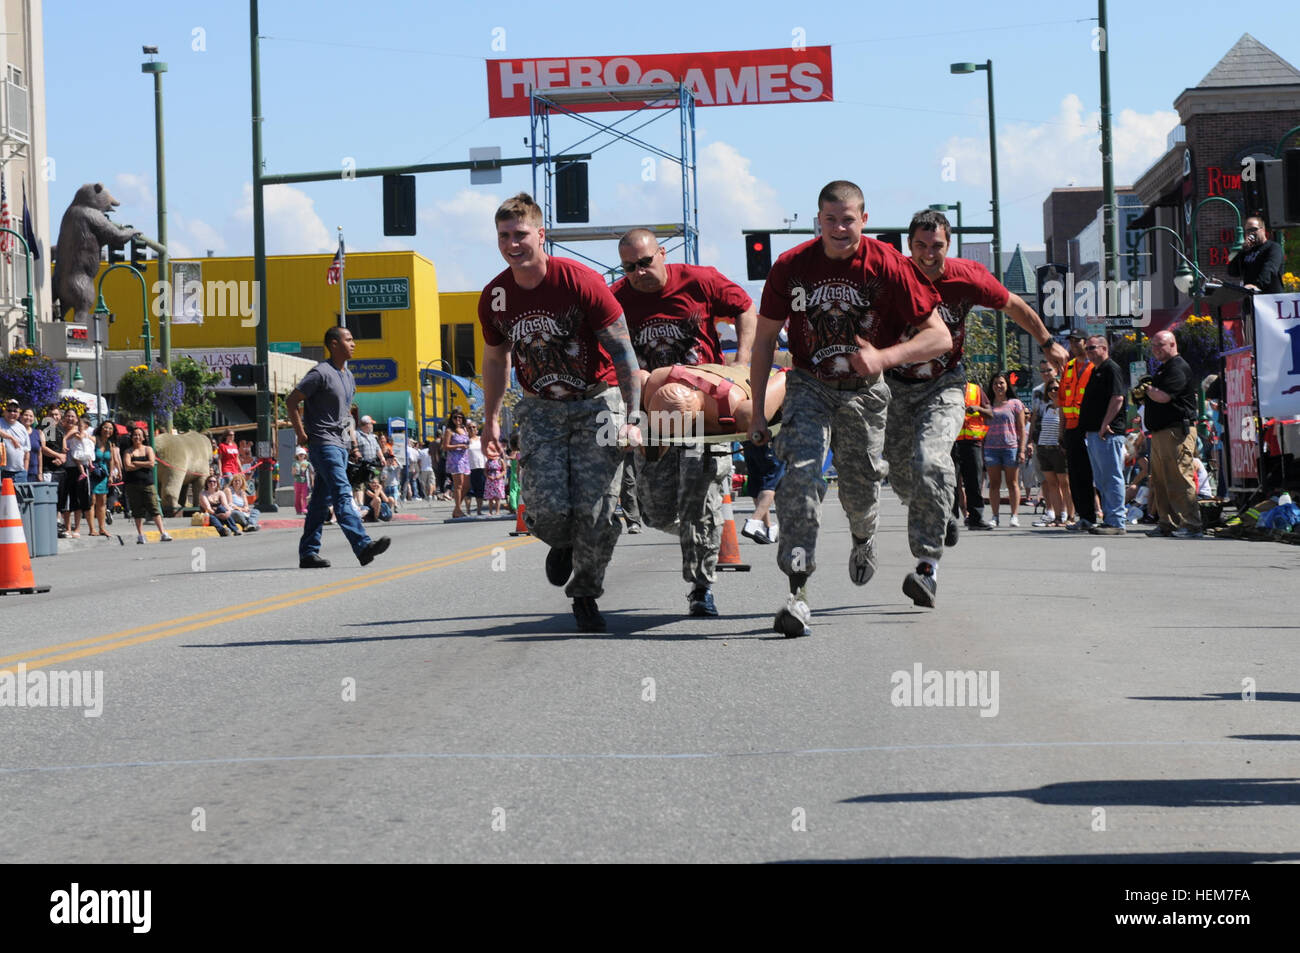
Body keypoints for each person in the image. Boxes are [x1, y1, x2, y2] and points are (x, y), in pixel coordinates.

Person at [748, 180, 952, 637]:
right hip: (809, 384)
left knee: (859, 494)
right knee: (800, 478)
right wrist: (758, 410)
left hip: (865, 392)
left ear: (865, 218)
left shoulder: (889, 265)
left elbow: (939, 336)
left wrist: (884, 357)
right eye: (830, 219)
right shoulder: (791, 267)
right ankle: (797, 593)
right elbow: (763, 341)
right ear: (817, 220)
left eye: (848, 219)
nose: (840, 228)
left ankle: (863, 537)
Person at [478, 192, 642, 633]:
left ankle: (586, 593)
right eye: (504, 235)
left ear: (541, 234)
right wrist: (491, 418)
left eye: (520, 234)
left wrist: (633, 417)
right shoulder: (495, 297)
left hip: (596, 403)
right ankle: (564, 542)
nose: (512, 243)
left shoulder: (580, 282)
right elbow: (496, 360)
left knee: (600, 511)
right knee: (546, 510)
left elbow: (623, 352)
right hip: (540, 409)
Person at [885, 208, 1067, 604]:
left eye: (937, 247)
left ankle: (927, 567)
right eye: (920, 246)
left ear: (948, 246)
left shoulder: (967, 276)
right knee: (902, 475)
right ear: (908, 246)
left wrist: (1046, 342)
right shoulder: (890, 274)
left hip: (945, 383)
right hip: (895, 385)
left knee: (931, 461)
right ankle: (943, 511)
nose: (928, 255)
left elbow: (1014, 305)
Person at [611, 227, 758, 615]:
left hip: (704, 412)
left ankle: (700, 586)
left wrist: (742, 362)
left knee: (701, 499)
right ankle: (697, 535)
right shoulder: (617, 300)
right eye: (629, 267)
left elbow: (745, 307)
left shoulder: (700, 279)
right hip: (653, 415)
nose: (639, 272)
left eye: (645, 262)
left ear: (662, 253)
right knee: (654, 511)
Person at [286, 326, 391, 568]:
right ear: (334, 344)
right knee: (343, 494)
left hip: (341, 445)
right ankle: (362, 545)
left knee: (320, 502)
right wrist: (301, 433)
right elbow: (292, 401)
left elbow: (345, 416)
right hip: (323, 444)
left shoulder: (348, 376)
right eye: (349, 339)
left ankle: (308, 553)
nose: (354, 344)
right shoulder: (320, 373)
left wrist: (353, 445)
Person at [1138, 329, 1203, 538]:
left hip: (1175, 432)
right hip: (1160, 433)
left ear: (1172, 345)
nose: (1156, 349)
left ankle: (1191, 524)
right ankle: (1167, 523)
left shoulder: (1177, 368)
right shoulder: (1163, 369)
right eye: (1154, 346)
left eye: (1160, 345)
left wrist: (1147, 389)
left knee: (1179, 479)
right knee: (1160, 480)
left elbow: (1164, 397)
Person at [1079, 335, 1128, 535]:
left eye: (1091, 348)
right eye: (1087, 349)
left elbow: (1118, 398)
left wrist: (1104, 424)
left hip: (1107, 433)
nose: (1088, 352)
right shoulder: (1096, 370)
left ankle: (1116, 521)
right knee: (1101, 479)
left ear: (1104, 348)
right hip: (1094, 433)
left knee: (1111, 477)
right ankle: (1109, 518)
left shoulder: (1111, 369)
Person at [1059, 330, 1097, 530]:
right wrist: (1061, 431)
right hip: (1072, 429)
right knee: (1076, 475)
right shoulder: (1069, 367)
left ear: (1086, 342)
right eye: (1071, 342)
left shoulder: (1095, 366)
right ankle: (1085, 516)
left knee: (1096, 473)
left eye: (1077, 341)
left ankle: (1105, 515)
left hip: (1090, 428)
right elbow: (1062, 402)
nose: (1073, 345)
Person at [982, 370, 1027, 528]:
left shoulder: (1015, 404)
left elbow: (1021, 428)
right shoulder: (987, 405)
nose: (998, 386)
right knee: (994, 484)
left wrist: (1022, 450)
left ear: (1007, 385)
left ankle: (1014, 516)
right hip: (991, 448)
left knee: (1012, 483)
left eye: (1001, 383)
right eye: (995, 383)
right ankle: (995, 516)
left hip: (1011, 447)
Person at [121, 426, 174, 543]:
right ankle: (140, 535)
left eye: (140, 435)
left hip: (147, 484)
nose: (137, 437)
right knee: (137, 510)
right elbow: (127, 467)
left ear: (144, 438)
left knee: (154, 508)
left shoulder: (148, 449)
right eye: (135, 435)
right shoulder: (128, 451)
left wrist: (135, 462)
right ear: (131, 437)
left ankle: (163, 533)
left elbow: (151, 463)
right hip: (132, 484)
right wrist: (142, 464)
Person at [1030, 380, 1072, 526]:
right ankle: (1058, 516)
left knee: (1064, 484)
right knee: (1051, 484)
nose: (1053, 391)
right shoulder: (1047, 408)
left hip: (1058, 449)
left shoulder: (1066, 407)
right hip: (1043, 448)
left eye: (1056, 388)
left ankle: (1070, 516)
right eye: (1050, 389)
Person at [1227, 216, 1283, 294]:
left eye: (1253, 229)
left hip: (1269, 297)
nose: (1251, 233)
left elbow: (1270, 269)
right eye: (1247, 231)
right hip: (1251, 297)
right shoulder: (1247, 251)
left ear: (1263, 230)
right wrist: (1242, 251)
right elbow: (1232, 271)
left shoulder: (1273, 247)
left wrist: (1257, 285)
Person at [60, 413, 95, 537]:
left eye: (73, 417)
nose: (70, 419)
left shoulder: (80, 432)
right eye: (67, 416)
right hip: (66, 468)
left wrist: (85, 436)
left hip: (79, 468)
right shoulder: (59, 431)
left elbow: (92, 441)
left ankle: (78, 528)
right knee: (68, 500)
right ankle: (67, 528)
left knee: (81, 499)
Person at [90, 421, 122, 537]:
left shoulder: (110, 444)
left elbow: (111, 460)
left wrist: (111, 475)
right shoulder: (94, 439)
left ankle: (102, 528)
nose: (107, 430)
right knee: (92, 501)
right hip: (93, 472)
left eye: (110, 428)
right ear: (101, 428)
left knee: (102, 502)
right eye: (105, 427)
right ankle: (92, 528)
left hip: (103, 473)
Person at [441, 411, 471, 518]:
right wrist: (459, 446)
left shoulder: (464, 430)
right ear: (452, 419)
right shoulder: (450, 431)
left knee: (466, 485)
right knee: (458, 485)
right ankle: (458, 510)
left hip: (465, 459)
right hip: (455, 460)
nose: (458, 419)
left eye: (460, 417)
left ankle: (456, 508)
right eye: (455, 417)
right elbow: (445, 446)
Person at [0, 398, 29, 483]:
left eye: (15, 411)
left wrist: (25, 470)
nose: (12, 413)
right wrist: (12, 438)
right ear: (4, 411)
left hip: (20, 473)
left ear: (19, 413)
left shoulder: (22, 428)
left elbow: (27, 452)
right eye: (9, 410)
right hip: (3, 472)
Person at [466, 420, 486, 516]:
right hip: (468, 468)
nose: (472, 429)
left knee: (480, 490)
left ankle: (479, 510)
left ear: (477, 430)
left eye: (474, 427)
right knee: (468, 490)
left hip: (481, 466)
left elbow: (485, 453)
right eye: (469, 427)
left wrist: (487, 466)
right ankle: (468, 511)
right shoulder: (465, 440)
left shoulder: (481, 440)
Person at [483, 439, 506, 516]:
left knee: (497, 497)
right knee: (490, 497)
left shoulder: (500, 460)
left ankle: (497, 511)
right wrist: (488, 476)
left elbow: (504, 470)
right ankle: (490, 511)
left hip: (498, 480)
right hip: (490, 480)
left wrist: (499, 476)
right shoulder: (488, 461)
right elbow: (485, 471)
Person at [21, 408, 43, 482]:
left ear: (34, 419)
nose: (28, 418)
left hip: (34, 473)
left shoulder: (37, 433)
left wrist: (40, 472)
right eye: (26, 415)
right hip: (19, 472)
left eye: (31, 416)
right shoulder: (17, 431)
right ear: (21, 417)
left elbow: (39, 454)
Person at [292, 446, 313, 514]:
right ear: (297, 455)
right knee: (297, 496)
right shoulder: (295, 463)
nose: (301, 456)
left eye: (302, 454)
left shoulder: (307, 463)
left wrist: (313, 481)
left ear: (305, 455)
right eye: (300, 454)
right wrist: (295, 471)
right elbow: (292, 473)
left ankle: (304, 509)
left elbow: (311, 472)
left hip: (305, 482)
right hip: (297, 482)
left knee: (304, 496)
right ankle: (298, 509)